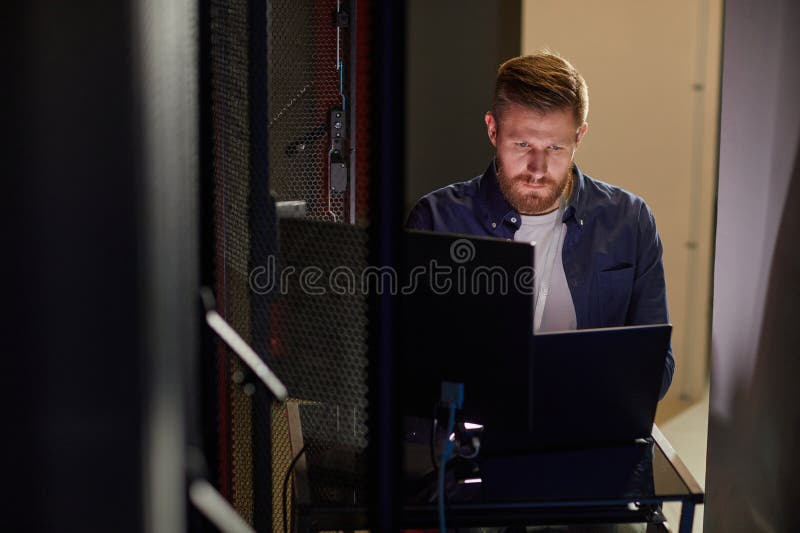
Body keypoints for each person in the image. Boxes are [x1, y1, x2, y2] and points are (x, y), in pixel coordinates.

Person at [406, 51, 674, 398]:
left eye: (555, 148)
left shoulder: (630, 221)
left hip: (588, 436)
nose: (537, 167)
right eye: (522, 144)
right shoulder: (436, 219)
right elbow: (410, 357)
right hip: (476, 441)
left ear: (579, 138)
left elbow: (658, 365)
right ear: (492, 130)